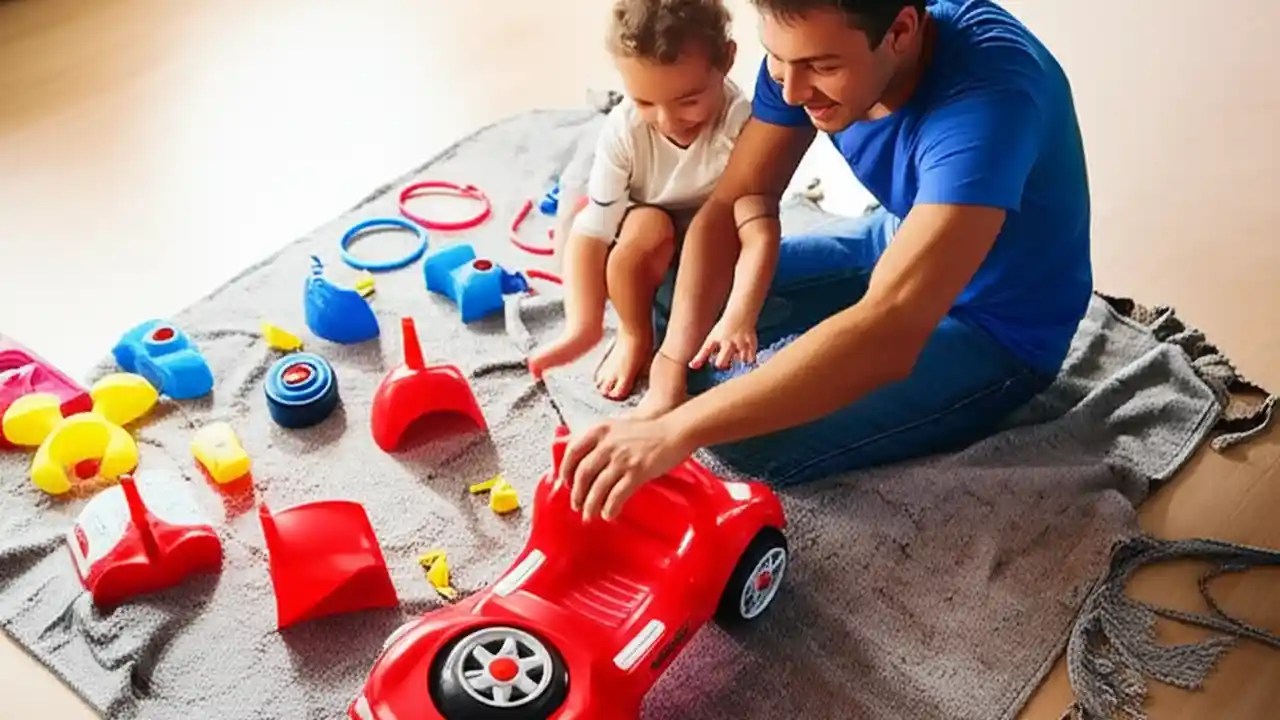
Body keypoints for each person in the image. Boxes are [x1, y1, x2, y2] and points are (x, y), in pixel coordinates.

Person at [558, 0, 1093, 522]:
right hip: (893, 239)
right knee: (671, 294)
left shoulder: (988, 106)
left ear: (901, 31)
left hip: (998, 331)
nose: (790, 92)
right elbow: (729, 205)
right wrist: (668, 378)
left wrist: (678, 430)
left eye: (823, 66)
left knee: (744, 431)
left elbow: (887, 333)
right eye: (777, 60)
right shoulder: (804, 50)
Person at [529, 0, 771, 401]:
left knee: (715, 230)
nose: (667, 121)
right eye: (645, 102)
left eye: (688, 100)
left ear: (727, 60)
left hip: (709, 249)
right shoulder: (623, 128)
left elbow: (757, 230)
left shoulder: (740, 124)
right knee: (639, 225)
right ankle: (634, 334)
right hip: (640, 245)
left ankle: (667, 324)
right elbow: (594, 230)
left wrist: (740, 313)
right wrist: (584, 328)